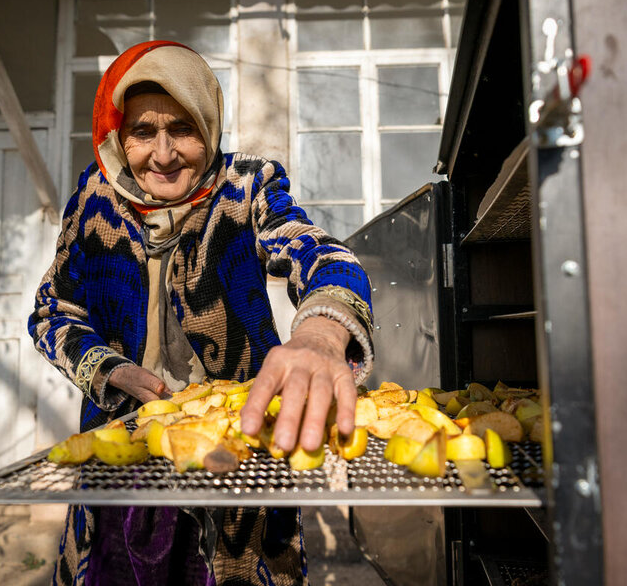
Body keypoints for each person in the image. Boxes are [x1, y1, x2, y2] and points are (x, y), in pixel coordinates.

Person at [28, 40, 374, 586]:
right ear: (120, 135)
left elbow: (322, 254)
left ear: (209, 127)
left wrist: (323, 333)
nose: (163, 155)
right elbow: (52, 312)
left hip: (240, 456)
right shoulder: (91, 202)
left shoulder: (247, 188)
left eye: (183, 129)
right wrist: (106, 369)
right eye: (143, 132)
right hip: (126, 455)